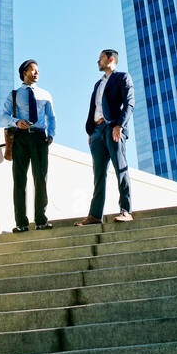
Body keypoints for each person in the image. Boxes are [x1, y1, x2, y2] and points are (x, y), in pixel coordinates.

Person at [77, 48, 134, 226]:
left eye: (100, 58)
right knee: (98, 174)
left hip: (113, 128)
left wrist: (119, 125)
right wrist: (91, 131)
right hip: (96, 132)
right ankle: (94, 216)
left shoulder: (122, 77)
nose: (97, 61)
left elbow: (129, 103)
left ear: (110, 59)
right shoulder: (97, 84)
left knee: (120, 169)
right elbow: (93, 108)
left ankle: (126, 210)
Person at [0, 59, 55, 232]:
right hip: (21, 139)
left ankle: (41, 220)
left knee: (40, 179)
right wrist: (16, 122)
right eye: (33, 70)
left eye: (38, 70)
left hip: (40, 138)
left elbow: (51, 117)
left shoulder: (45, 94)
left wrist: (51, 134)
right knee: (19, 181)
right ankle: (21, 223)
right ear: (25, 72)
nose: (37, 73)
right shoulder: (14, 94)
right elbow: (4, 116)